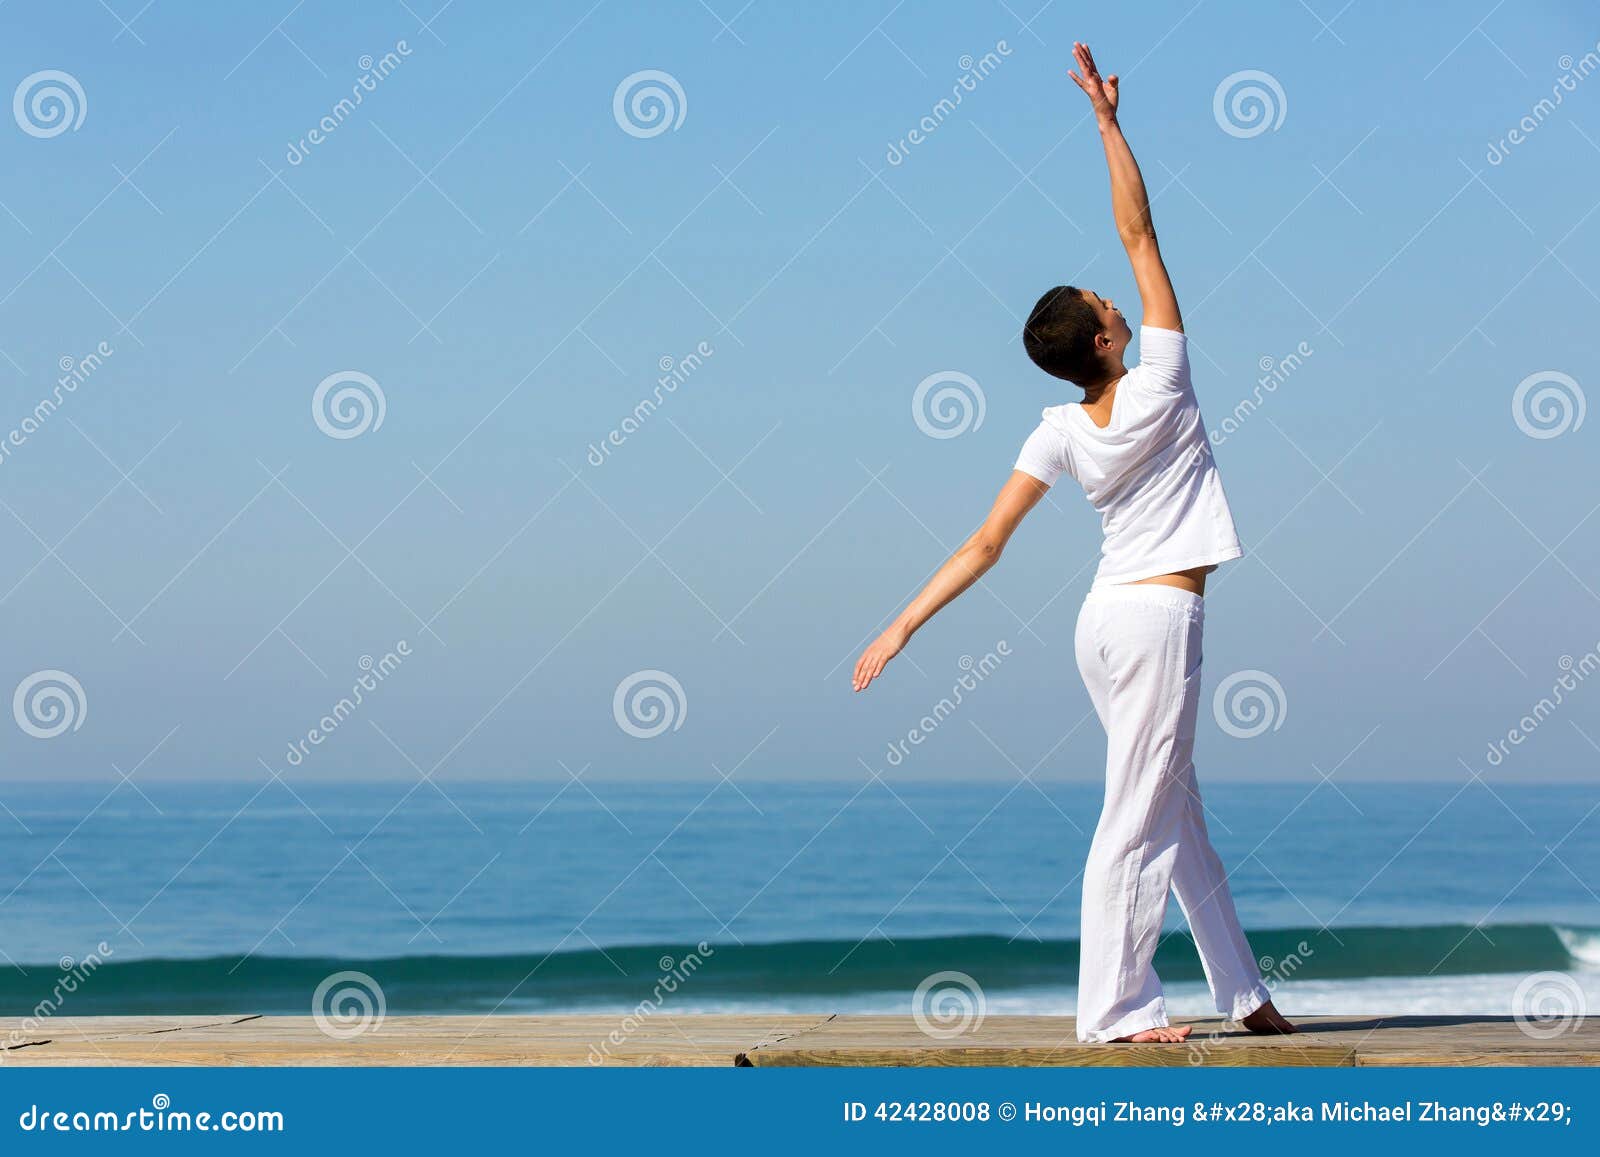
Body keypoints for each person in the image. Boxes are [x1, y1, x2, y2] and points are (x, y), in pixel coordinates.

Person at [851, 43, 1296, 1044]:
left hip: (1101, 623)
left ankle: (1245, 995)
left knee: (1171, 809)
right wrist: (1105, 122)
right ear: (1103, 340)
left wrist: (903, 623)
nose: (1116, 299)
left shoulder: (1056, 428)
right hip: (1154, 615)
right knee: (1137, 816)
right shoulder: (1162, 379)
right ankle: (1116, 1011)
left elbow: (986, 539)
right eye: (1105, 304)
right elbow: (1139, 230)